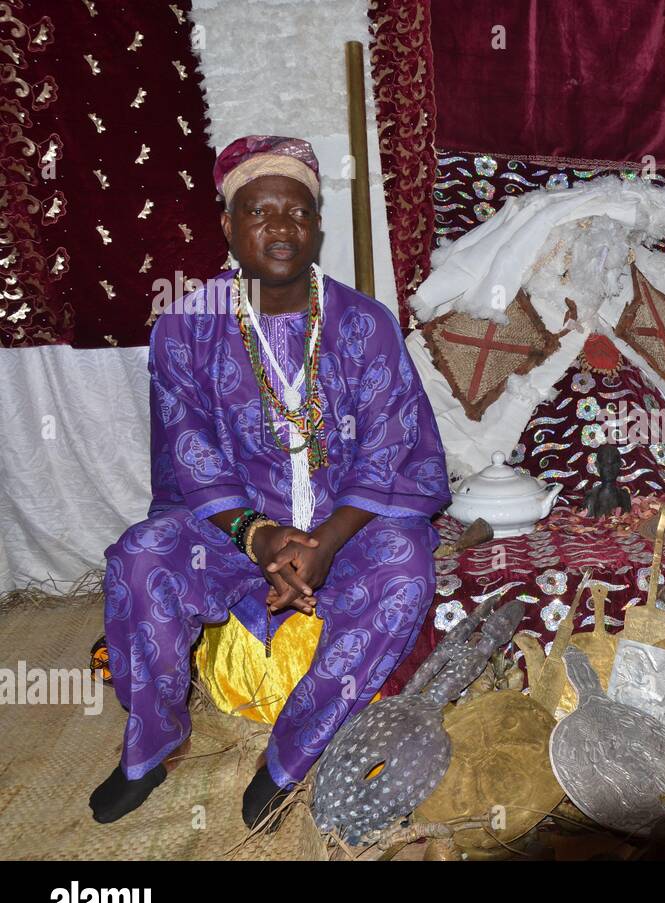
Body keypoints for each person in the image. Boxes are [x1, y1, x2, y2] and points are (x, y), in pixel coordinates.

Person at [90, 136, 451, 827]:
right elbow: (191, 453)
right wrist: (257, 536)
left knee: (407, 564)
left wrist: (324, 543)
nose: (282, 228)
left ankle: (291, 751)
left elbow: (388, 450)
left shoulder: (366, 325)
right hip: (228, 529)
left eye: (299, 212)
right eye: (261, 211)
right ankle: (156, 738)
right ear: (227, 224)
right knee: (139, 559)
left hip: (346, 529)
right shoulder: (185, 328)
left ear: (316, 226)